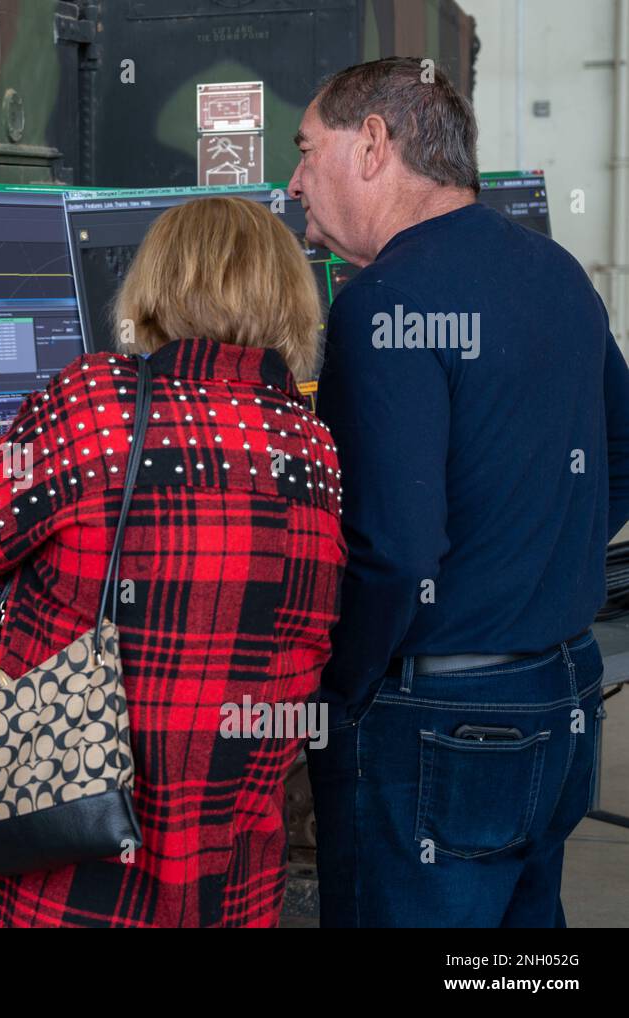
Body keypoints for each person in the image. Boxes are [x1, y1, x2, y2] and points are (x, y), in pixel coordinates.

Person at [0, 196, 346, 927]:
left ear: (156, 286)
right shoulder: (314, 446)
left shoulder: (95, 404)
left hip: (72, 841)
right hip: (230, 856)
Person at [289, 57, 629, 927]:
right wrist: (534, 568)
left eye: (304, 150)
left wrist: (339, 695)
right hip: (564, 697)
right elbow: (622, 451)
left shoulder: (381, 304)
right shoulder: (557, 273)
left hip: (436, 728)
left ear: (372, 144)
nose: (294, 183)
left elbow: (394, 552)